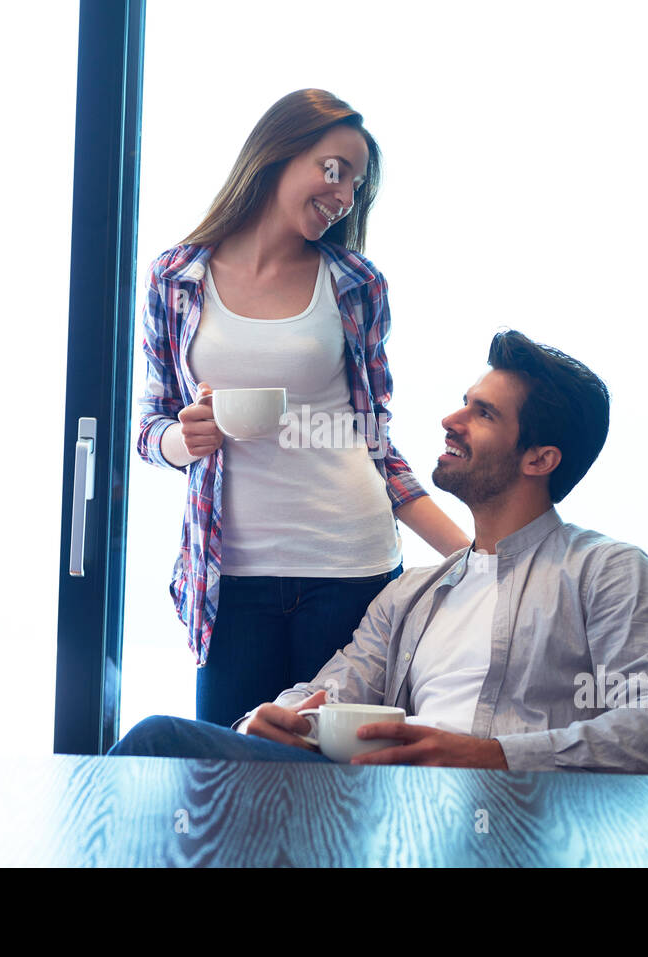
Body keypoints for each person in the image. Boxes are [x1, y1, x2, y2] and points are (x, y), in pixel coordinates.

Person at [113, 330, 648, 774]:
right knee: (167, 752)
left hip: (519, 822)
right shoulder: (414, 593)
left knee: (157, 740)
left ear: (540, 459)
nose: (451, 420)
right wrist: (274, 720)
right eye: (464, 402)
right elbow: (336, 689)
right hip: (386, 811)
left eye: (482, 413)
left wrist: (492, 757)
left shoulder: (607, 573)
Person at [136, 89, 470, 727]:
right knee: (228, 778)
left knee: (338, 786)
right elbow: (153, 422)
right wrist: (184, 441)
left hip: (351, 564)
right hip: (230, 574)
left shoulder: (356, 284)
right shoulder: (176, 278)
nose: (344, 195)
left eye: (355, 185)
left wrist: (475, 557)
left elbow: (375, 441)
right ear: (276, 154)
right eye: (333, 169)